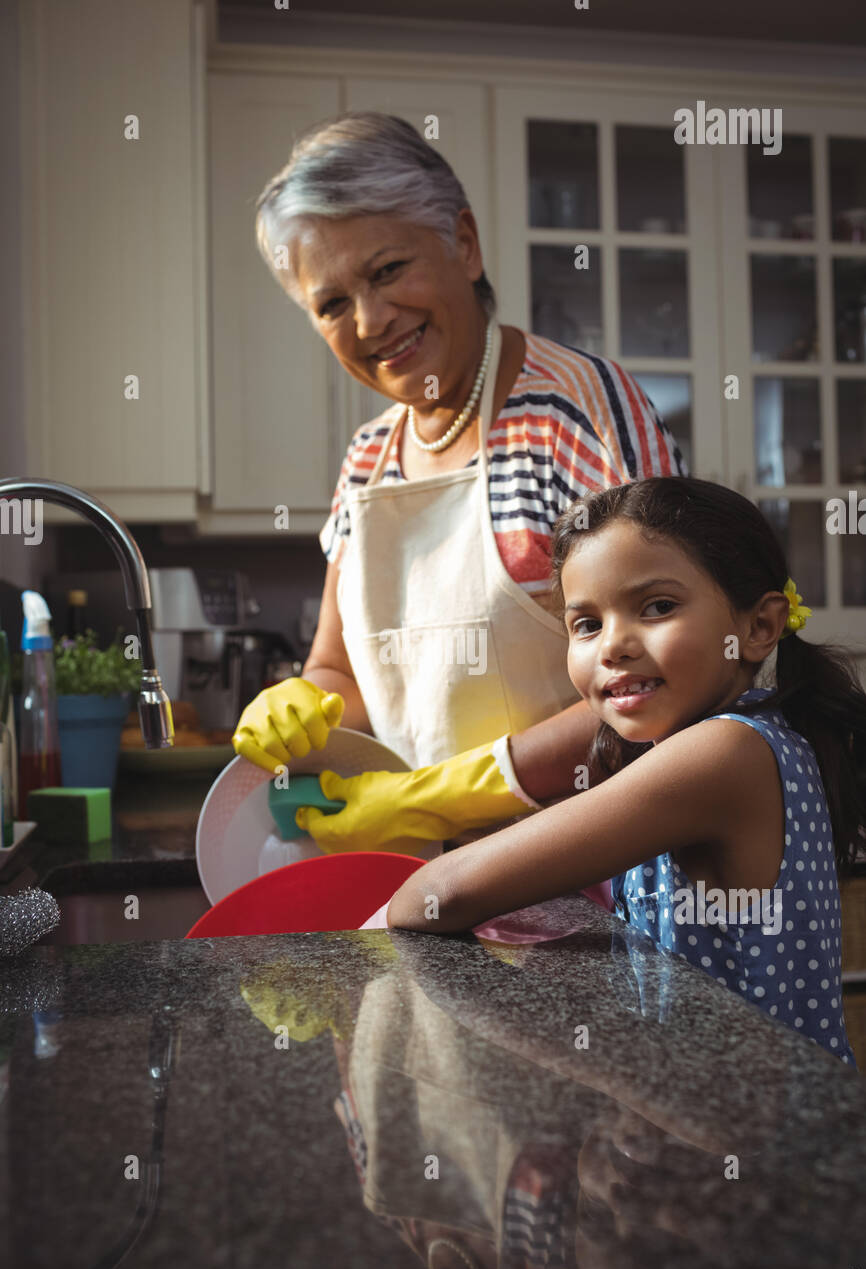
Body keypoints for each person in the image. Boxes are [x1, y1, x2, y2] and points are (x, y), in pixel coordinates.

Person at [232, 111, 685, 854]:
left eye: (387, 271)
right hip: (425, 882)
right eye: (333, 304)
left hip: (582, 874)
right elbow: (340, 669)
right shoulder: (368, 457)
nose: (373, 320)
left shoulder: (578, 410)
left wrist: (439, 799)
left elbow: (668, 669)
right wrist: (303, 700)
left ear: (464, 244)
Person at [367, 477, 866, 1068]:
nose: (614, 646)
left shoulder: (723, 753)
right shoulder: (756, 739)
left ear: (759, 628)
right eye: (586, 624)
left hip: (753, 1138)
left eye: (657, 607)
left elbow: (431, 897)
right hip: (734, 1117)